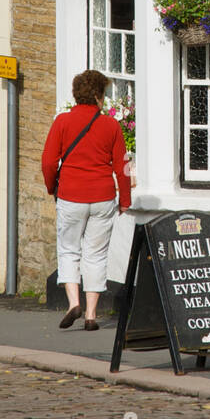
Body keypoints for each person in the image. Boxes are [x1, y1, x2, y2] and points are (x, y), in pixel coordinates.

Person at [40, 69, 131, 331]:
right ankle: (91, 314)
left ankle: (73, 304)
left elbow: (48, 161)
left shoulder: (62, 122)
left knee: (69, 250)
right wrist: (125, 199)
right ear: (97, 95)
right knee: (96, 254)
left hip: (71, 195)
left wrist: (51, 187)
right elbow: (122, 167)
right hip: (103, 197)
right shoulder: (111, 125)